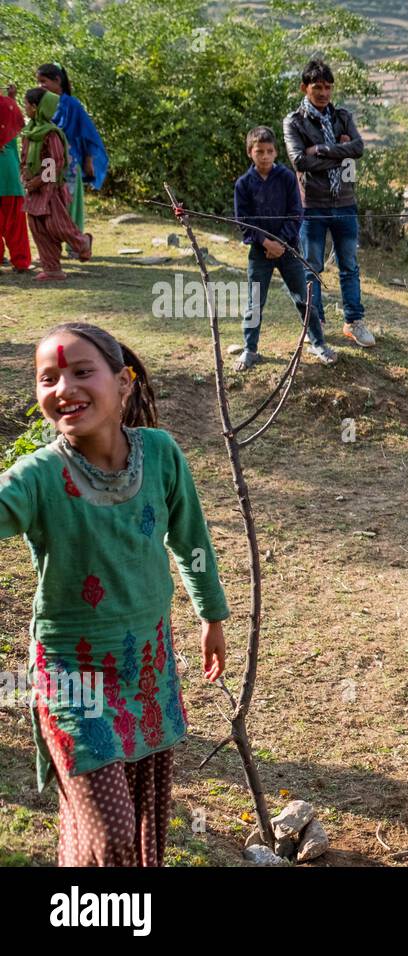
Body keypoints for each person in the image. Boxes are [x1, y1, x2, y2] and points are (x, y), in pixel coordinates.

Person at [0, 323, 229, 865]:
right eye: (48, 378)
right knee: (112, 832)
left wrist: (211, 616)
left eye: (82, 372)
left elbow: (190, 540)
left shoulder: (161, 454)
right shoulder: (38, 476)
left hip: (146, 669)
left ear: (123, 384)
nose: (63, 388)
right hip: (72, 680)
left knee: (142, 822)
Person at [282, 59, 373, 349]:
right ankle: (315, 323)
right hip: (312, 206)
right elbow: (299, 160)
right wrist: (340, 151)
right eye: (317, 87)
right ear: (304, 88)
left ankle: (354, 322)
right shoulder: (294, 121)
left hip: (345, 203)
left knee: (350, 266)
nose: (323, 93)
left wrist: (321, 149)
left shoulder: (342, 116)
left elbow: (357, 149)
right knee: (312, 267)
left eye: (328, 87)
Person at [232, 126, 336, 371]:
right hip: (259, 251)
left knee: (302, 297)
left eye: (269, 151)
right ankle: (250, 349)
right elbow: (243, 221)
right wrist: (265, 242)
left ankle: (318, 343)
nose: (265, 156)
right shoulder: (243, 184)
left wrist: (281, 243)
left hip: (288, 249)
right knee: (255, 300)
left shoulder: (287, 177)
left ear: (276, 152)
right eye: (259, 151)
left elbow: (296, 213)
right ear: (250, 153)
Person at [21, 89, 91, 281]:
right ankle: (52, 268)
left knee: (57, 225)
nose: (24, 108)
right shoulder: (29, 132)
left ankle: (83, 243)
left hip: (51, 189)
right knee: (38, 227)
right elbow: (25, 158)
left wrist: (38, 181)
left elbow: (55, 161)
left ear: (36, 108)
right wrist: (24, 176)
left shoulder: (51, 134)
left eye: (26, 104)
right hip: (34, 190)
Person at [34, 64, 108, 239]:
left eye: (43, 81)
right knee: (49, 200)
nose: (40, 86)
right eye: (38, 82)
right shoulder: (43, 104)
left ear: (57, 80)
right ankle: (52, 244)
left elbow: (88, 133)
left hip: (70, 163)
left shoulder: (72, 105)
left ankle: (76, 242)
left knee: (69, 202)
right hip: (49, 161)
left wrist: (89, 160)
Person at [0, 86, 32, 273]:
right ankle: (21, 262)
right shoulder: (9, 106)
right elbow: (18, 125)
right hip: (10, 176)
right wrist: (11, 99)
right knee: (16, 224)